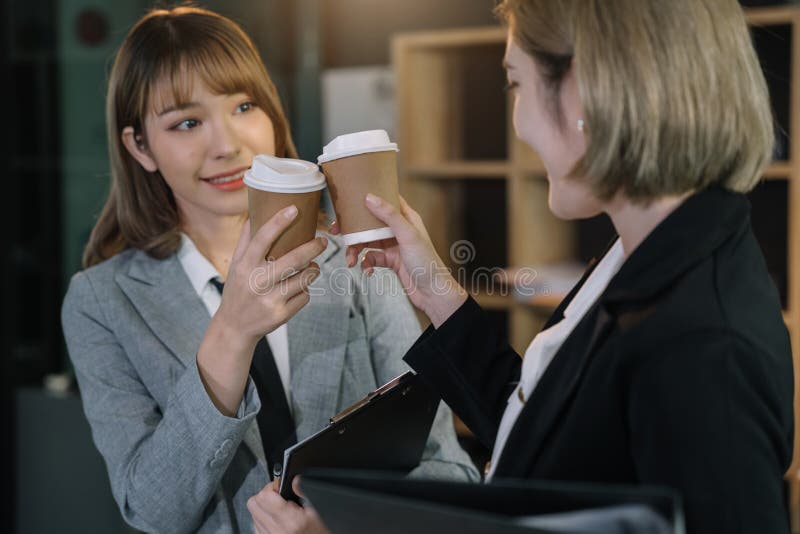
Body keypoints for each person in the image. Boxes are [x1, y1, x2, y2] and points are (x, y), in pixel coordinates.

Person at [336, 0, 794, 532]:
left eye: (516, 83)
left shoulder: (704, 345)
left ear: (587, 90)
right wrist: (435, 289)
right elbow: (544, 428)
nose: (519, 124)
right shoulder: (643, 255)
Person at [60, 6, 478, 534]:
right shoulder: (102, 300)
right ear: (139, 146)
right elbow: (151, 510)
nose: (228, 145)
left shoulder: (356, 262)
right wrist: (231, 333)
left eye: (244, 106)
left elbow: (450, 472)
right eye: (187, 122)